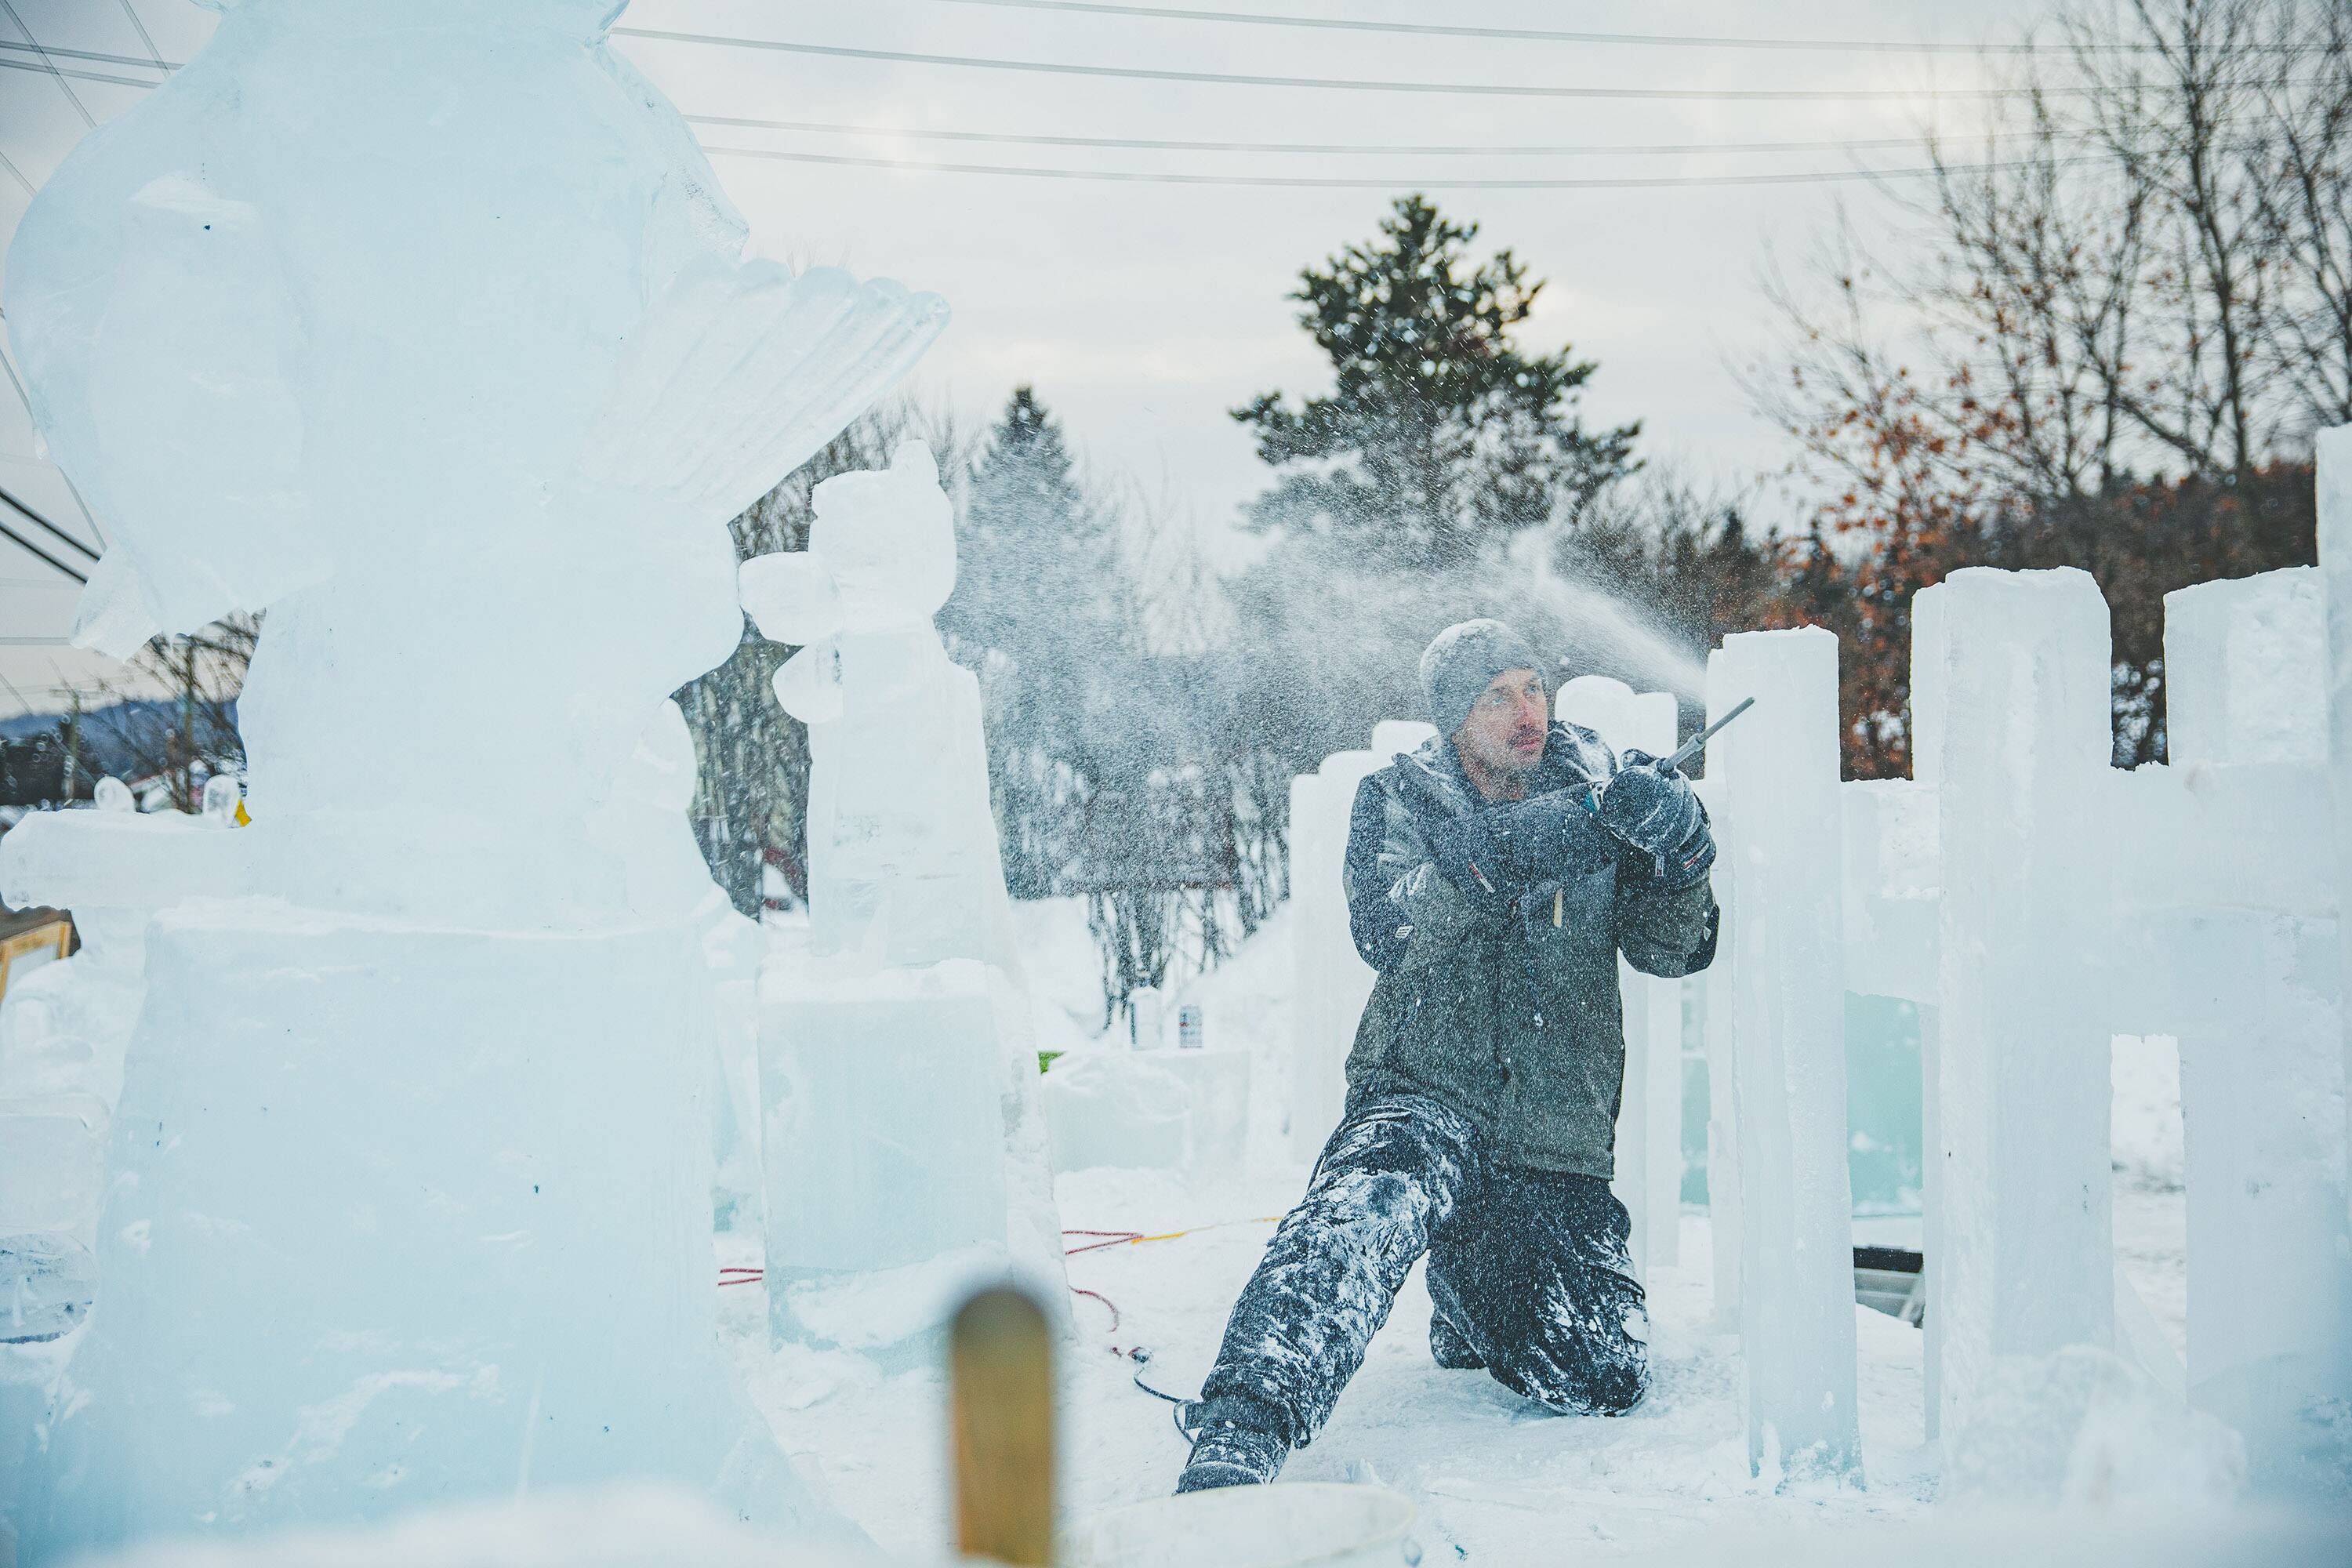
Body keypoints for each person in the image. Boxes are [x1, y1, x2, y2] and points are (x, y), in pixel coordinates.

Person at [1176, 619, 1720, 1493]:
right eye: (1495, 695)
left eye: (1533, 687)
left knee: (1603, 1372)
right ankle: (1245, 1420)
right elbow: (1389, 928)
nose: (1525, 710)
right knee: (1361, 1215)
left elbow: (1672, 950)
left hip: (1552, 1135)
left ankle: (1468, 1269)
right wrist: (1518, 846)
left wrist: (1680, 855)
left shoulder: (1604, 792)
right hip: (1421, 1090)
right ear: (1451, 717)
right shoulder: (1399, 796)